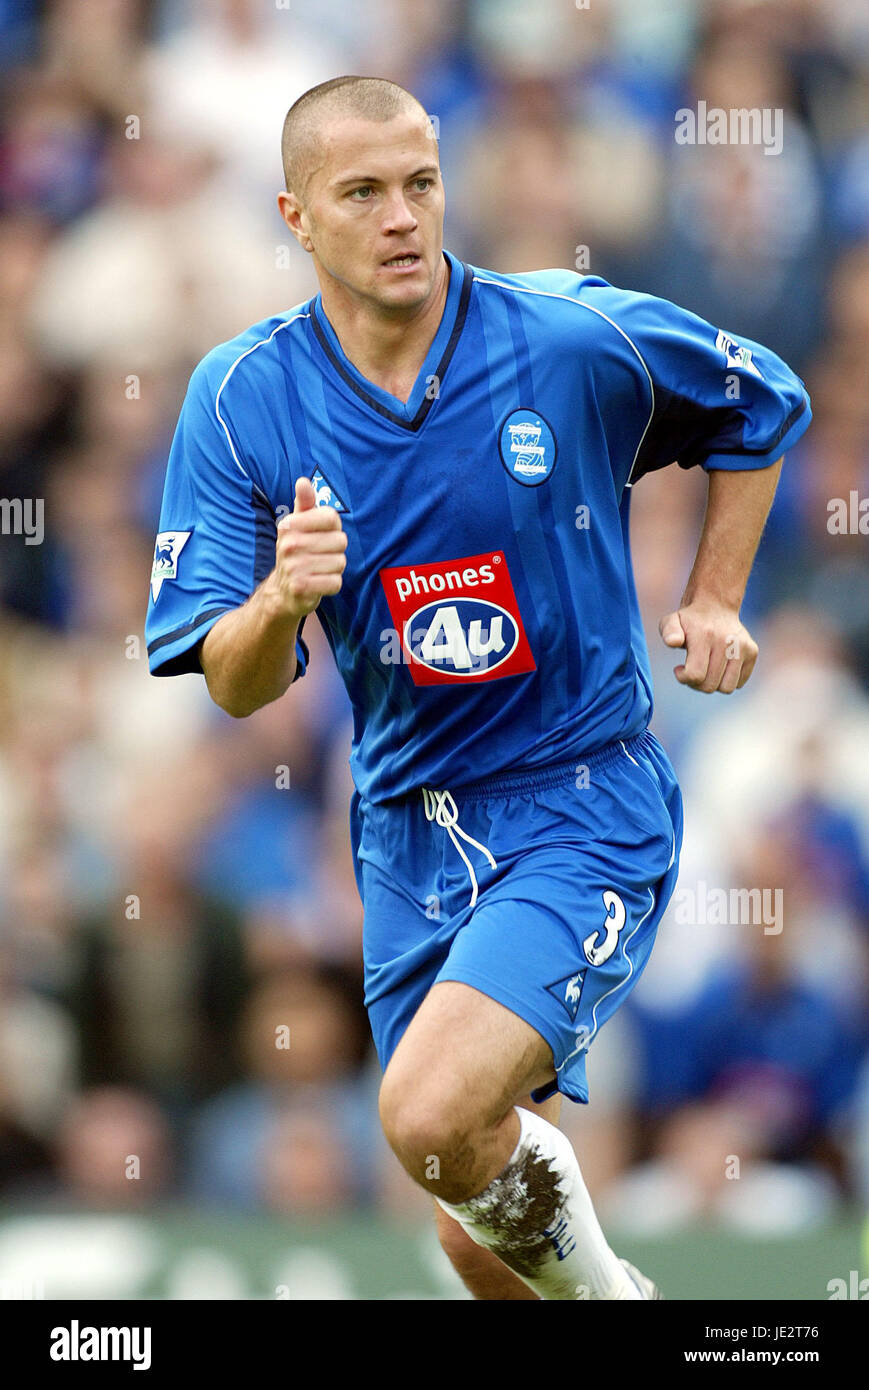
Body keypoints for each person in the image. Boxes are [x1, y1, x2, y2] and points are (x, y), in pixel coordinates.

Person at [145, 76, 812, 1300]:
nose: (402, 217)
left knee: (429, 1110)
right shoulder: (241, 400)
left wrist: (714, 597)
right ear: (296, 216)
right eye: (363, 193)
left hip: (577, 801)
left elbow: (757, 399)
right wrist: (280, 601)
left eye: (421, 184)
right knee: (471, 1230)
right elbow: (233, 687)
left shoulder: (559, 337)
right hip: (404, 836)